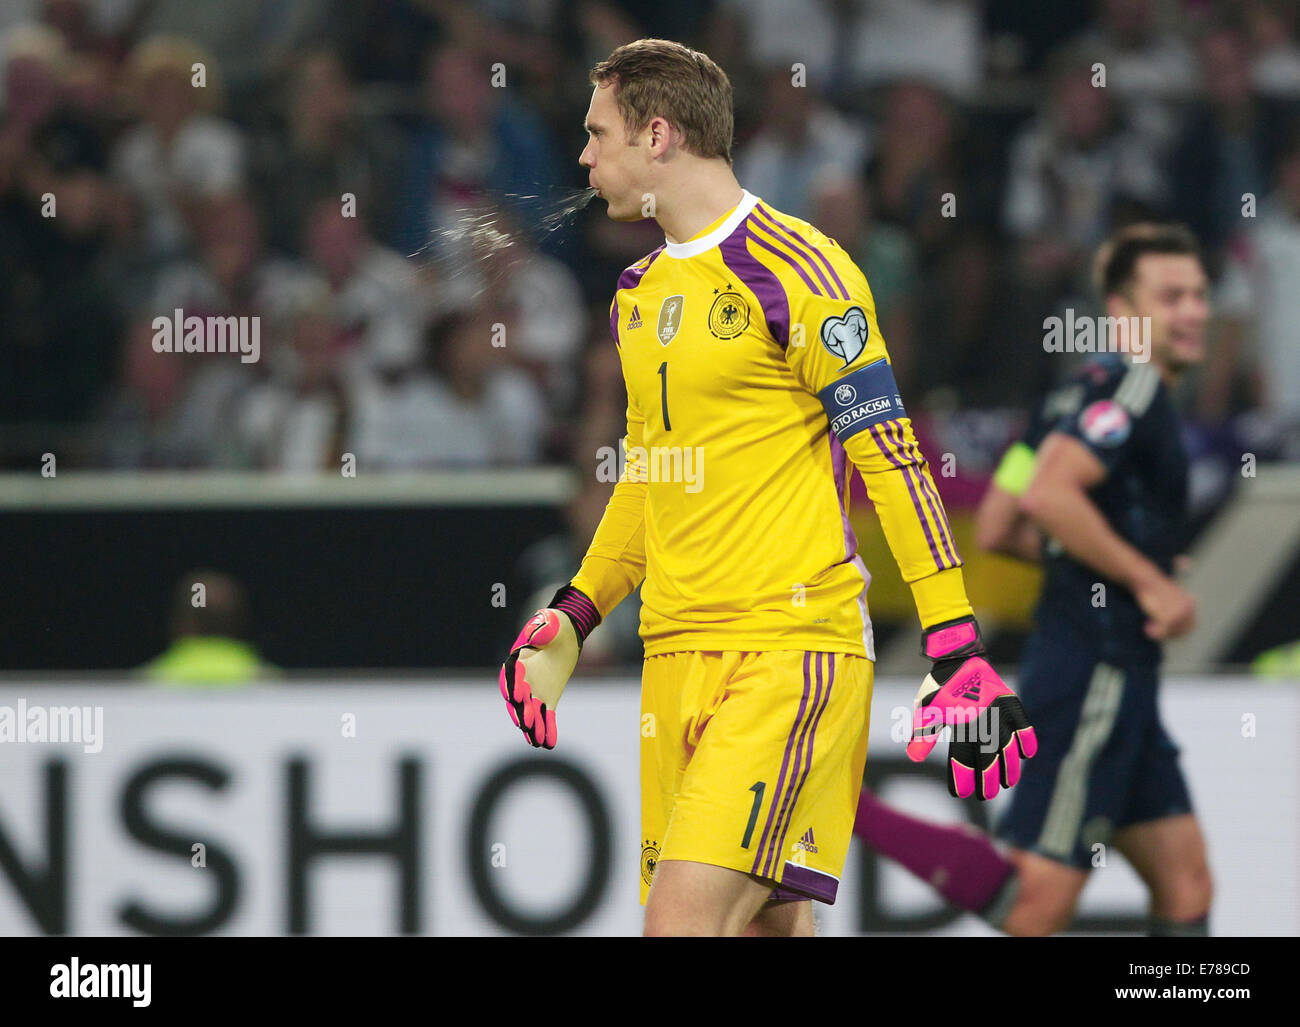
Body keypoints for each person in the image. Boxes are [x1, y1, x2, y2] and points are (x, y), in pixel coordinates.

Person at [497, 38, 1036, 938]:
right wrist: (579, 608)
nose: (584, 158)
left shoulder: (802, 270)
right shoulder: (637, 294)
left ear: (658, 134)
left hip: (786, 651)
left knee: (679, 927)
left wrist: (955, 646)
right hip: (674, 663)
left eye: (597, 134)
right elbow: (649, 475)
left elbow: (892, 457)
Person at [974, 223, 1214, 936]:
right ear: (1120, 312)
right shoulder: (1136, 387)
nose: (1194, 312)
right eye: (1170, 297)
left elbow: (999, 522)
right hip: (1095, 674)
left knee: (1185, 879)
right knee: (1035, 904)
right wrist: (1149, 580)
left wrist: (1108, 552)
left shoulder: (1063, 401)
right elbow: (1050, 496)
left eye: (1200, 295)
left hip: (1110, 675)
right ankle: (874, 821)